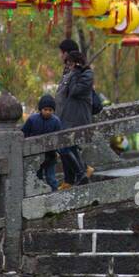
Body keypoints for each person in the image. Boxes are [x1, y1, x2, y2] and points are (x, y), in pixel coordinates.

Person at [55, 47, 95, 186]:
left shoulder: (86, 74)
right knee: (64, 147)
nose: (68, 66)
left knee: (66, 146)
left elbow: (74, 91)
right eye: (67, 64)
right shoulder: (69, 75)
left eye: (70, 63)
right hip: (66, 117)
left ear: (77, 63)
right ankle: (76, 175)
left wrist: (75, 73)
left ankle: (81, 173)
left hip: (78, 117)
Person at [21, 95, 64, 193]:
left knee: (51, 178)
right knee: (37, 177)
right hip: (35, 155)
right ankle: (39, 195)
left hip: (50, 155)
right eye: (45, 109)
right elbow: (24, 133)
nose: (48, 112)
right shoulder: (32, 120)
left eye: (50, 110)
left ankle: (54, 194)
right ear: (41, 109)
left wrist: (58, 151)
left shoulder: (56, 121)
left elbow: (59, 138)